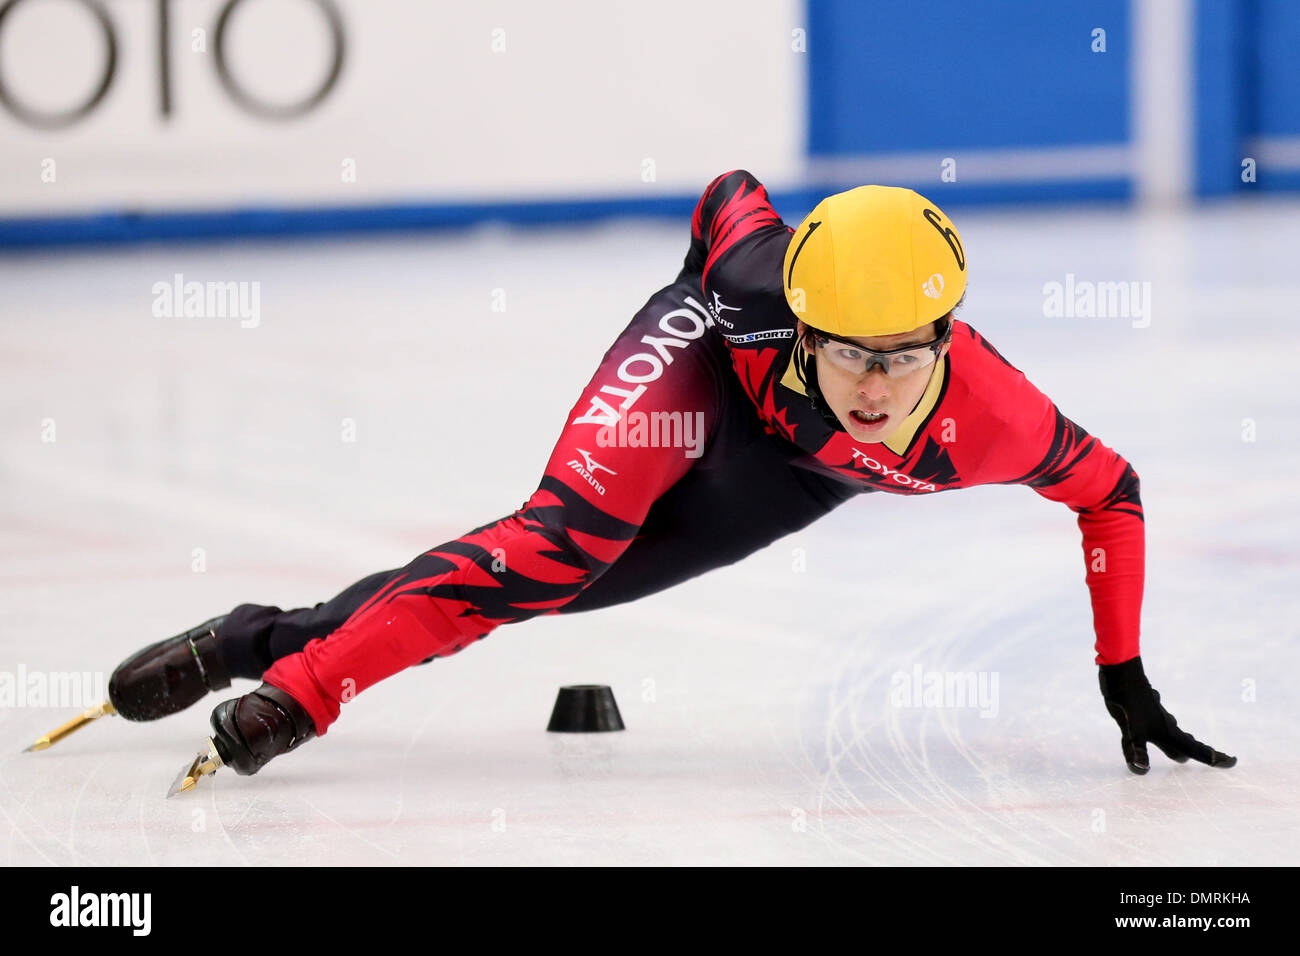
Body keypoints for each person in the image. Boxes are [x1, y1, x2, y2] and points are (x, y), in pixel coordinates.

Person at [107, 170, 1235, 783]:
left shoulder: (997, 420)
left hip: (797, 470)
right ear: (803, 326)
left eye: (902, 356)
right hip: (699, 363)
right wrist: (704, 292)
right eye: (847, 349)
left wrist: (1121, 663)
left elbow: (1112, 491)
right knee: (556, 545)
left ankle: (258, 635)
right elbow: (728, 193)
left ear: (946, 339)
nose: (877, 384)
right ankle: (299, 685)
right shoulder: (754, 285)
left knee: (560, 588)